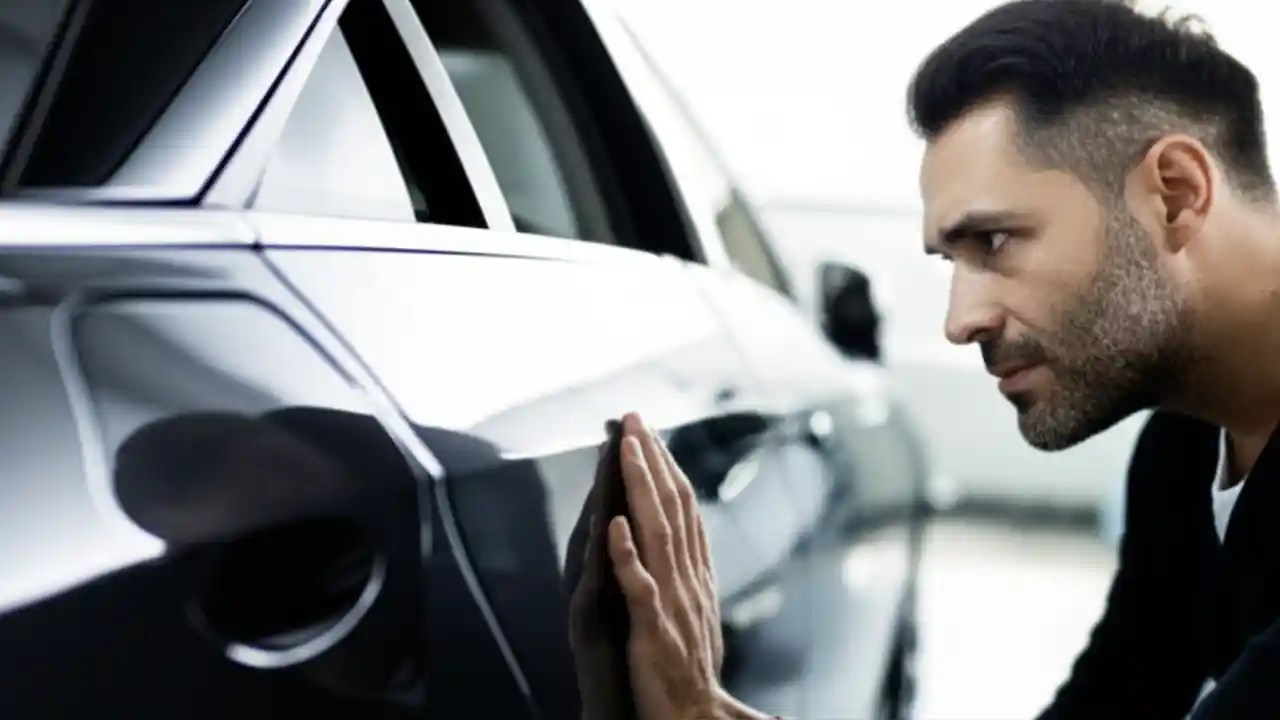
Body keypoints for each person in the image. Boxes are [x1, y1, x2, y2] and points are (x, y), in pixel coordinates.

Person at [573, 1, 1280, 718]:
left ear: (1177, 194)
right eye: (950, 261)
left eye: (995, 242)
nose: (959, 321)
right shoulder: (1182, 452)